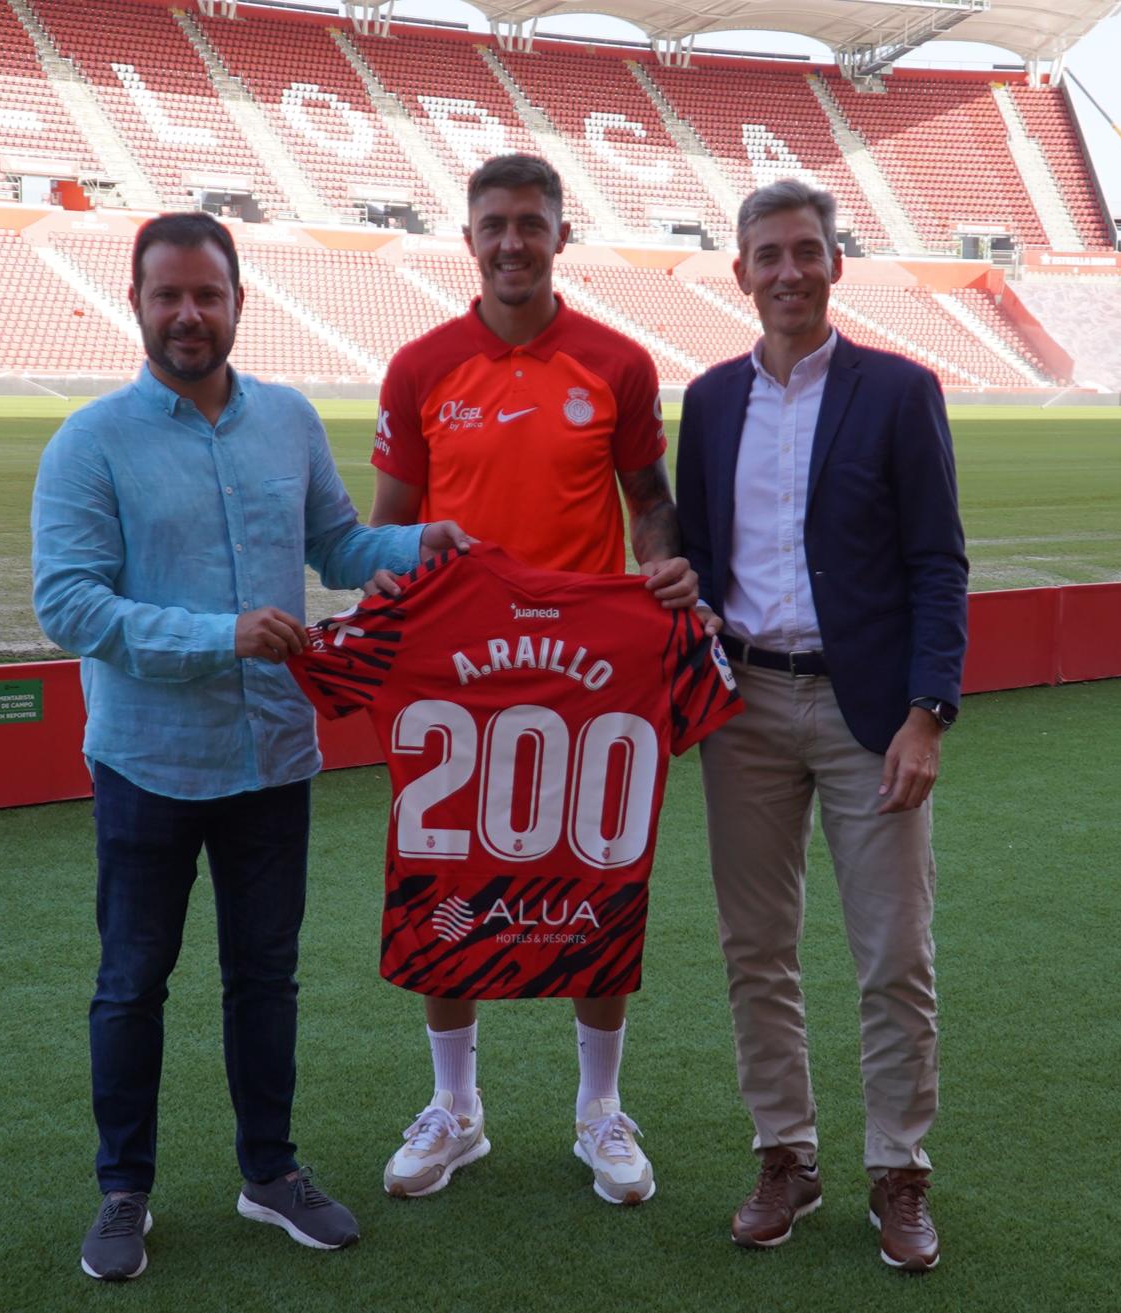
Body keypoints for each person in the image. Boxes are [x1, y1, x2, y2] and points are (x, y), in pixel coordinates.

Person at [31, 211, 468, 1281]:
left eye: (207, 294)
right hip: (148, 760)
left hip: (272, 758)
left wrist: (422, 543)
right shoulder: (89, 441)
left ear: (238, 301)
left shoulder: (288, 420)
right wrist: (217, 636)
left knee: (264, 978)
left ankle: (268, 1172)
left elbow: (335, 546)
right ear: (135, 303)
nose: (188, 313)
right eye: (168, 294)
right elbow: (68, 605)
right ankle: (123, 1187)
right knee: (133, 980)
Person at [366, 153, 700, 1206]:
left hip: (585, 674)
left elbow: (649, 501)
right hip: (457, 675)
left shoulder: (617, 362)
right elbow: (388, 527)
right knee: (443, 879)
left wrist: (658, 572)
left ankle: (599, 1109)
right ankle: (454, 1106)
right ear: (469, 240)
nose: (513, 240)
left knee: (597, 876)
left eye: (531, 223)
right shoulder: (421, 366)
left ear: (562, 236)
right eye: (494, 224)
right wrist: (376, 632)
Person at [674, 181, 968, 1270]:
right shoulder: (707, 403)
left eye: (805, 251)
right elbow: (702, 555)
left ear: (834, 264)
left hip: (868, 712)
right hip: (742, 707)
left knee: (893, 952)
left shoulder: (898, 390)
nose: (787, 271)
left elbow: (939, 561)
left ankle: (899, 1168)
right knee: (756, 950)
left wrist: (926, 714)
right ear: (740, 269)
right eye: (767, 254)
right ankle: (784, 1155)